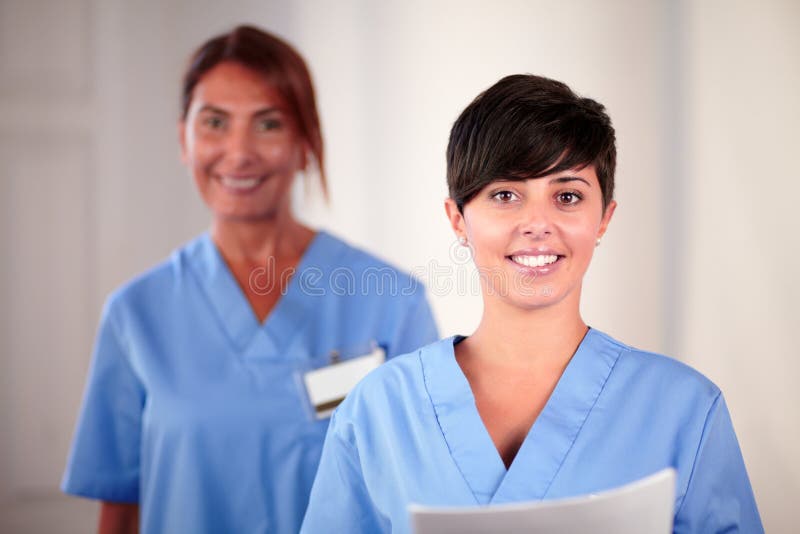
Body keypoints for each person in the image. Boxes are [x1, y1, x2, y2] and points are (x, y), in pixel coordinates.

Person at [300, 74, 763, 533]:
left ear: (604, 219)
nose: (537, 223)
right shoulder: (378, 411)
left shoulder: (684, 410)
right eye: (505, 195)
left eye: (567, 196)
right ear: (458, 220)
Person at [61, 25, 438, 534]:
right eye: (215, 122)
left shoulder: (392, 303)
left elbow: (423, 499)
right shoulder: (136, 314)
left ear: (306, 142)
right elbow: (120, 511)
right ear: (183, 139)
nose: (238, 152)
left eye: (268, 124)